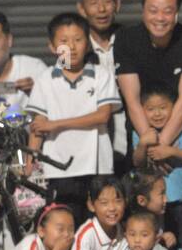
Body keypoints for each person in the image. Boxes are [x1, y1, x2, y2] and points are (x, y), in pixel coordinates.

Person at [26, 13, 122, 225]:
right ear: (52, 47)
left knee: (98, 224)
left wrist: (56, 124)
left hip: (97, 167)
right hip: (57, 168)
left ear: (87, 43)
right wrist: (31, 159)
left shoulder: (101, 75)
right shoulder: (45, 80)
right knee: (63, 225)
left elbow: (102, 115)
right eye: (64, 41)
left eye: (78, 40)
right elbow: (38, 126)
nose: (72, 47)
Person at [114, 0, 182, 183]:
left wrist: (163, 146)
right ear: (143, 11)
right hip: (141, 137)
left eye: (167, 11)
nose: (160, 18)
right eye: (153, 10)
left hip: (181, 135)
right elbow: (132, 99)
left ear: (177, 12)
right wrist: (149, 144)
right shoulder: (126, 39)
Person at [131, 83, 182, 245]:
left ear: (174, 108)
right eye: (151, 109)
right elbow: (138, 163)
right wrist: (142, 144)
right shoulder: (141, 132)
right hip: (155, 205)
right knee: (161, 245)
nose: (157, 114)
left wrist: (172, 151)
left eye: (163, 107)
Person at [76, 0, 128, 173]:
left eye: (107, 1)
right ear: (81, 9)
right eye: (94, 3)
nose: (101, 9)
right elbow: (60, 79)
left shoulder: (133, 38)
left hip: (129, 132)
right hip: (89, 135)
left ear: (117, 5)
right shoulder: (71, 44)